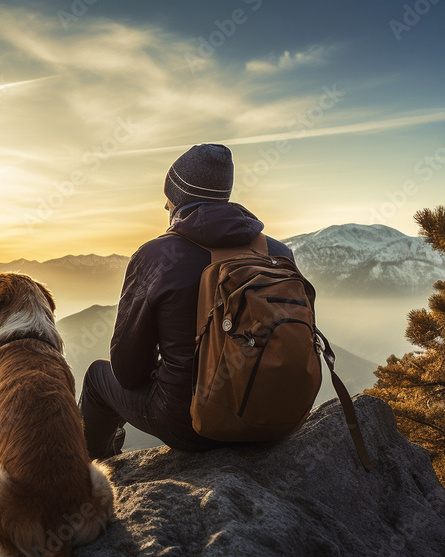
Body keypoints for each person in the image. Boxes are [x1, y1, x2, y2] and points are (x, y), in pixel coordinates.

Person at [79, 143, 296, 460]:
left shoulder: (156, 255)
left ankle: (90, 473)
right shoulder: (277, 252)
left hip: (192, 426)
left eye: (167, 203)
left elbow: (128, 373)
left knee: (97, 378)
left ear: (177, 200)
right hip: (276, 419)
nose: (166, 209)